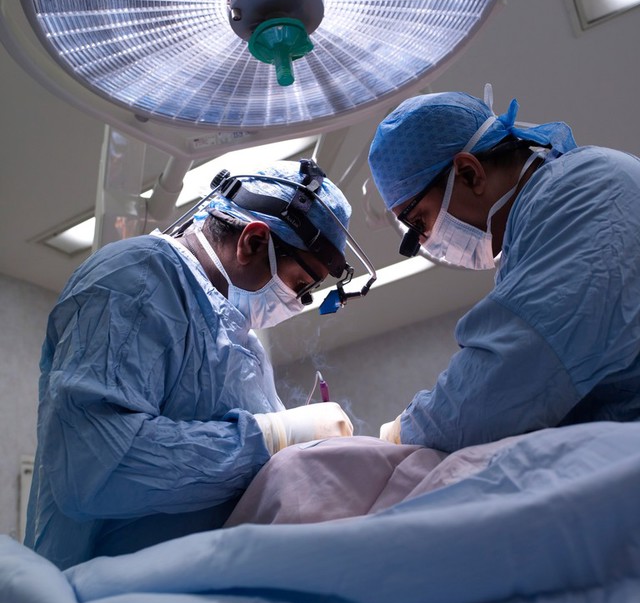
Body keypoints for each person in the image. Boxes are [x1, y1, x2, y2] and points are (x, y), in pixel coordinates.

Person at [25, 159, 362, 569]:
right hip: (106, 601)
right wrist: (270, 439)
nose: (299, 302)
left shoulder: (244, 342)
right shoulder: (136, 278)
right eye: (301, 285)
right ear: (253, 242)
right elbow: (93, 471)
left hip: (198, 592)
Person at [368, 87, 640, 453]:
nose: (428, 242)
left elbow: (504, 381)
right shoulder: (542, 223)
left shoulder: (583, 193)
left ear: (469, 173)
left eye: (420, 223)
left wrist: (401, 434)